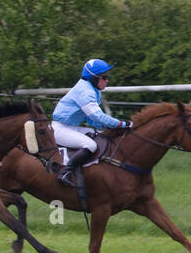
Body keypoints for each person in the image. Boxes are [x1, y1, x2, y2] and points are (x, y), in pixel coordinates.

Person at [52, 58, 132, 186]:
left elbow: (91, 120)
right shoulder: (86, 91)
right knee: (91, 145)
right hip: (60, 129)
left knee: (101, 136)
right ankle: (65, 173)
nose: (107, 80)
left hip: (71, 127)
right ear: (94, 78)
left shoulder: (91, 89)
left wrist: (109, 127)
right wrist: (121, 124)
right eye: (104, 77)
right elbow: (97, 116)